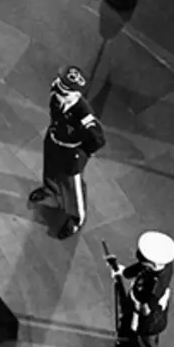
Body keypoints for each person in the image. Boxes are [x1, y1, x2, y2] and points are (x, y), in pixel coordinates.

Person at [29, 65, 106, 239]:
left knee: (73, 186)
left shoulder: (83, 113)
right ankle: (50, 189)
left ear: (76, 94)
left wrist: (85, 152)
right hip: (54, 140)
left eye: (65, 93)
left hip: (72, 152)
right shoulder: (56, 90)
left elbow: (98, 139)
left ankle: (76, 219)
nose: (59, 94)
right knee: (49, 169)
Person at [106, 231, 174, 347]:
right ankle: (126, 342)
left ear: (155, 264)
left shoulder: (156, 284)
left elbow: (146, 309)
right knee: (129, 331)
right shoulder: (155, 266)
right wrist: (123, 272)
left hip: (147, 322)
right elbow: (139, 267)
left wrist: (135, 302)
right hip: (135, 306)